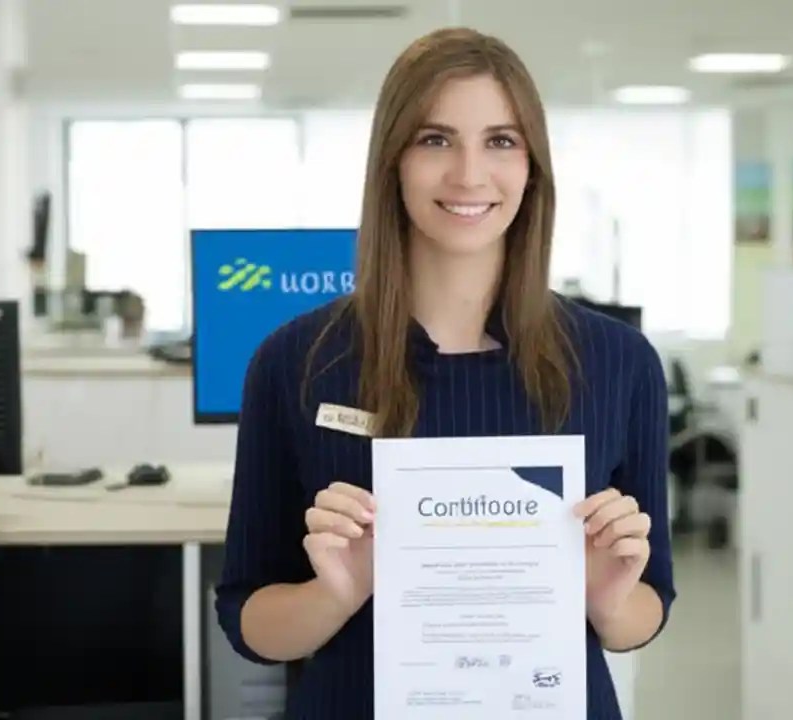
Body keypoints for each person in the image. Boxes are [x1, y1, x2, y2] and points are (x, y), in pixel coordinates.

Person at [214, 26, 675, 719]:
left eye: (500, 140)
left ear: (531, 165)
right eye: (435, 140)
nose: (468, 174)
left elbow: (647, 611)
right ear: (393, 161)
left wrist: (605, 596)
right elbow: (248, 619)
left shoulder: (617, 362)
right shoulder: (297, 362)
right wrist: (338, 590)